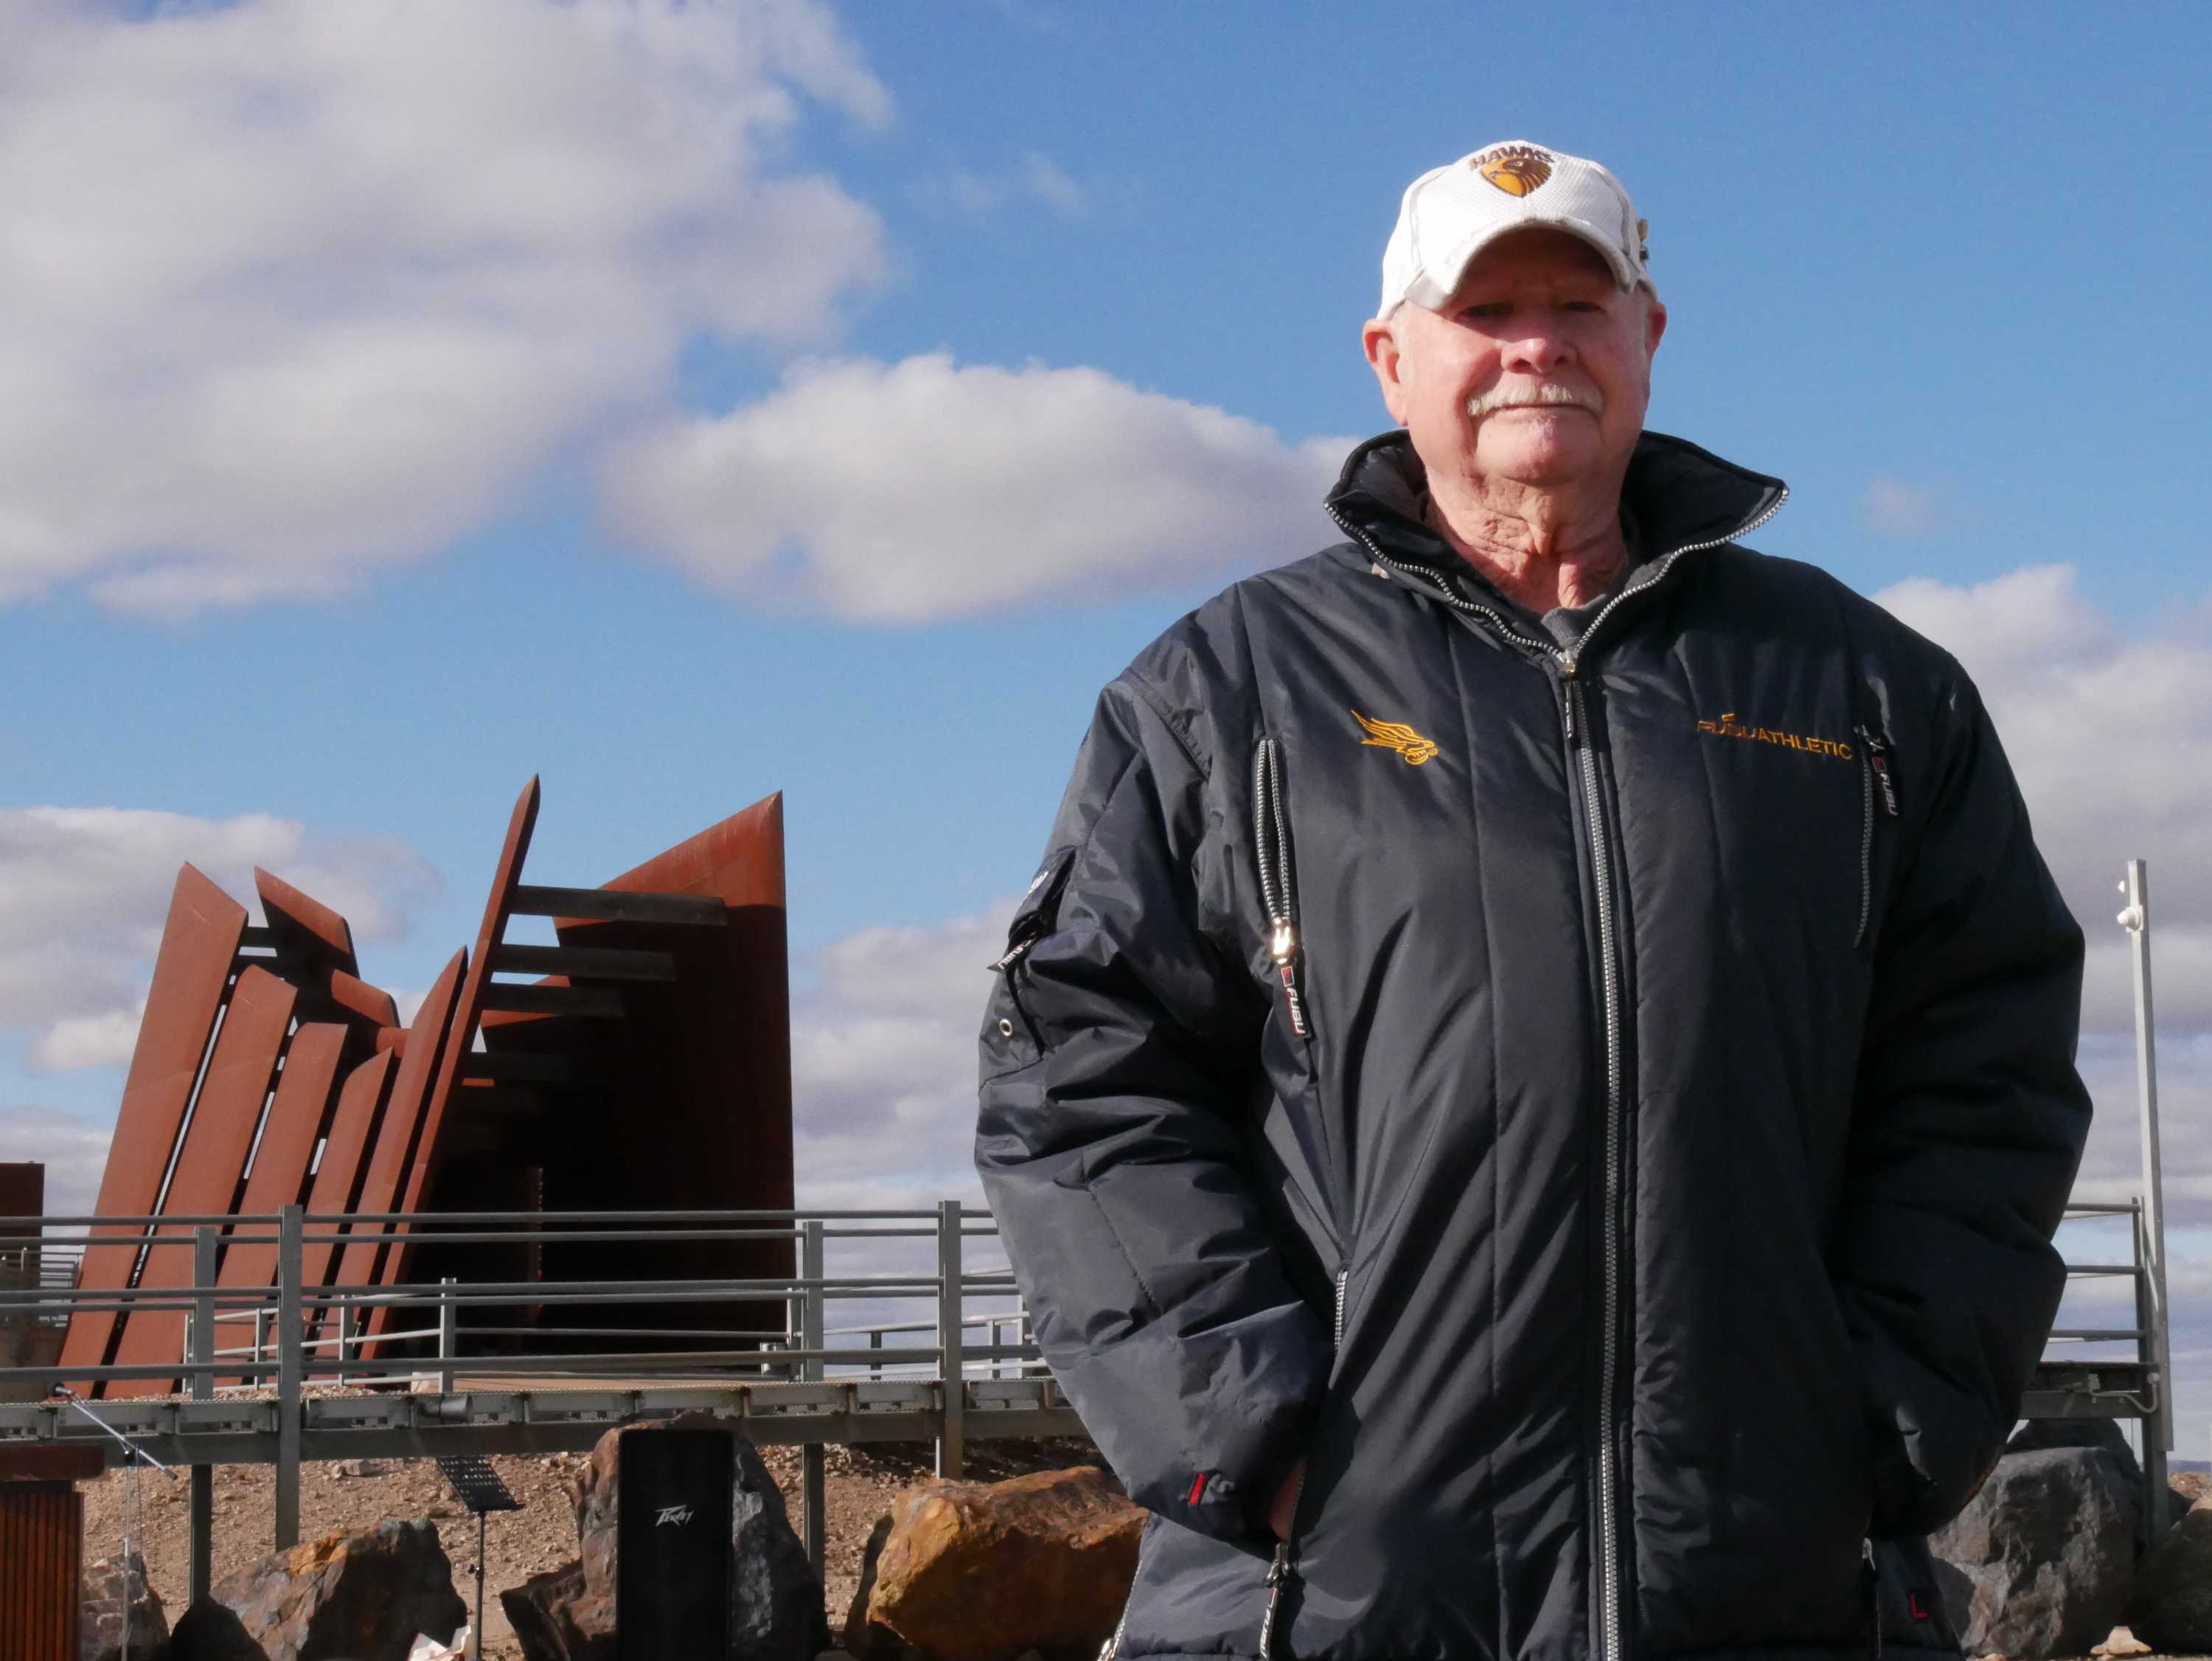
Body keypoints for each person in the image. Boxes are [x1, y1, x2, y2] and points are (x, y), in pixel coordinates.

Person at [975, 140, 2090, 1661]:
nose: (1537, 347)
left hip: (1774, 1588)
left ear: (1649, 336)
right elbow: (1074, 1067)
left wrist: (1886, 1415)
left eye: (1580, 302)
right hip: (1334, 1599)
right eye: (1484, 311)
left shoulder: (1862, 690)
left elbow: (1988, 1066)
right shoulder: (1228, 693)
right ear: (1392, 360)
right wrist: (1259, 1439)